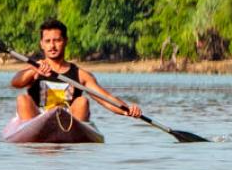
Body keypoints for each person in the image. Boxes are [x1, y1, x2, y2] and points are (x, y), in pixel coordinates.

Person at [11, 18, 143, 125]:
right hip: (37, 120)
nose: (52, 46)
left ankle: (73, 139)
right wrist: (34, 69)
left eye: (57, 40)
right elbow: (16, 82)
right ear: (41, 44)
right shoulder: (35, 68)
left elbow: (105, 98)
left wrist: (126, 110)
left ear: (65, 41)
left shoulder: (80, 75)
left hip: (69, 123)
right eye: (48, 41)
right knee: (22, 99)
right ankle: (32, 139)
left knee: (82, 102)